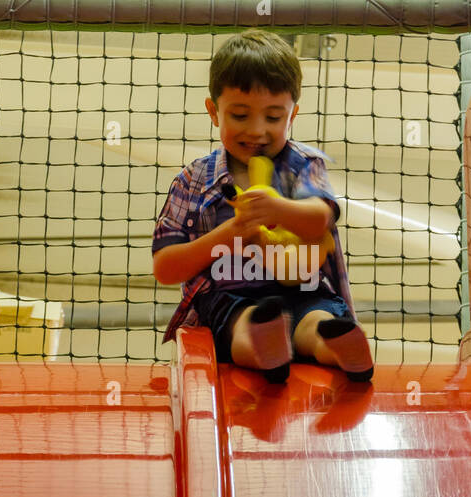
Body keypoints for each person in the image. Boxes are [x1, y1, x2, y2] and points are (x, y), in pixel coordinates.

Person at [152, 29, 374, 383]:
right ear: (214, 111)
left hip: (303, 289)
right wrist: (230, 234)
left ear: (292, 115)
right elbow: (166, 267)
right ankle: (261, 345)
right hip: (230, 297)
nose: (257, 131)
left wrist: (278, 209)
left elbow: (321, 219)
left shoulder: (302, 164)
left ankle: (334, 345)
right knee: (242, 318)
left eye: (273, 118)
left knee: (316, 318)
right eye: (240, 115)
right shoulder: (192, 180)